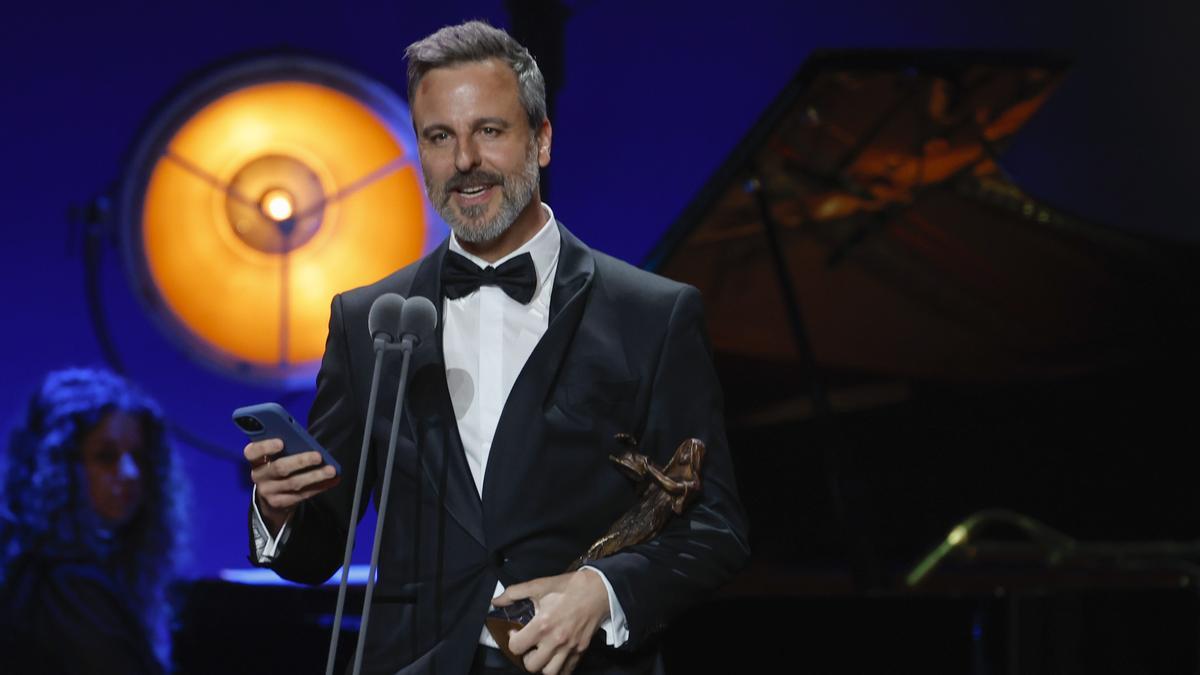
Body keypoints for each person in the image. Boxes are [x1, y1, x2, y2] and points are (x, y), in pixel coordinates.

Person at [245, 20, 749, 675]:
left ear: (541, 141)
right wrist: (278, 510)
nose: (464, 162)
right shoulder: (367, 320)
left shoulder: (652, 315)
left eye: (489, 130)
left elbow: (716, 528)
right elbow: (318, 552)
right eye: (439, 137)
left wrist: (601, 592)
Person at [0, 368, 186, 675]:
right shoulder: (66, 584)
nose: (130, 474)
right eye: (105, 456)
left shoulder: (48, 571)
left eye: (138, 457)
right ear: (58, 467)